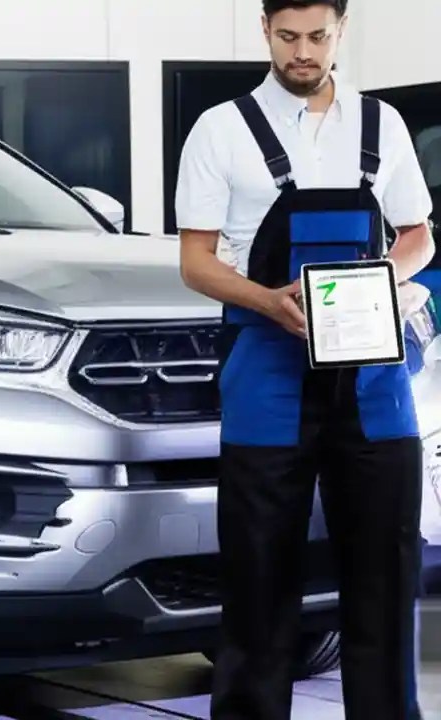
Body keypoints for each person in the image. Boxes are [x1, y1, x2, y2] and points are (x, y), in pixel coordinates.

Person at [174, 1, 435, 718]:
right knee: (258, 596)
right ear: (264, 30)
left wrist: (380, 276)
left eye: (317, 36)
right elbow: (195, 262)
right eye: (287, 36)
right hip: (266, 380)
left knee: (385, 590)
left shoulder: (381, 125)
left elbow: (420, 234)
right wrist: (267, 300)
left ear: (339, 30)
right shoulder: (220, 131)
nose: (302, 52)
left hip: (376, 388)